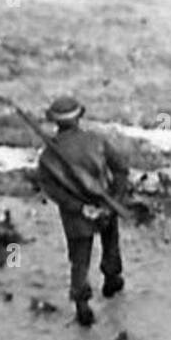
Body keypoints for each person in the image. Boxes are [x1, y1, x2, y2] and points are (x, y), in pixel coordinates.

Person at [34, 94, 130, 326]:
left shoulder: (47, 157)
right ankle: (111, 280)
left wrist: (79, 207)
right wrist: (113, 199)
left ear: (54, 121)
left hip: (76, 217)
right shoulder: (97, 140)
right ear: (79, 117)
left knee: (79, 261)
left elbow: (52, 191)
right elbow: (121, 169)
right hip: (105, 206)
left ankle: (82, 306)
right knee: (111, 245)